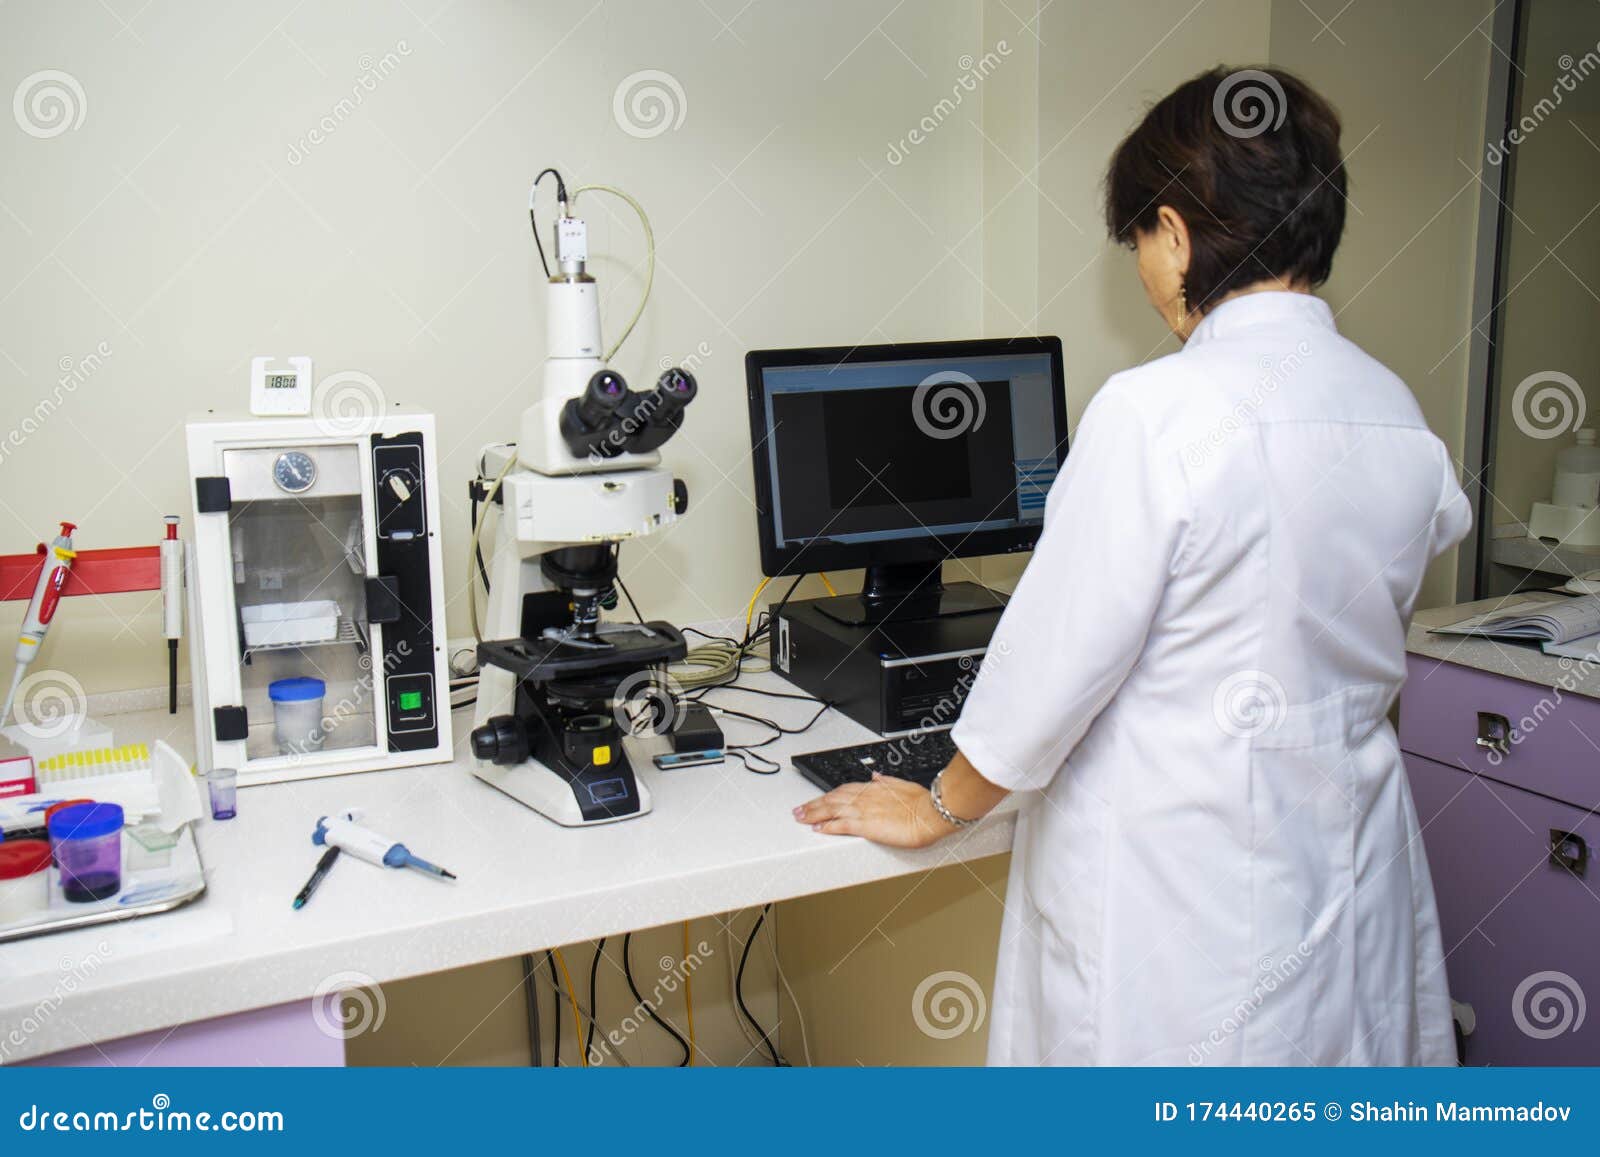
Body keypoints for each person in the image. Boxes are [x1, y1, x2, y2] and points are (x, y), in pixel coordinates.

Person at [794, 66, 1469, 1066]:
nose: (1146, 273)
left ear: (1175, 230)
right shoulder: (1393, 410)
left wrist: (937, 803)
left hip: (1180, 913)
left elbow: (1049, 673)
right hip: (1345, 876)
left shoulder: (1157, 413)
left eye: (1142, 242)